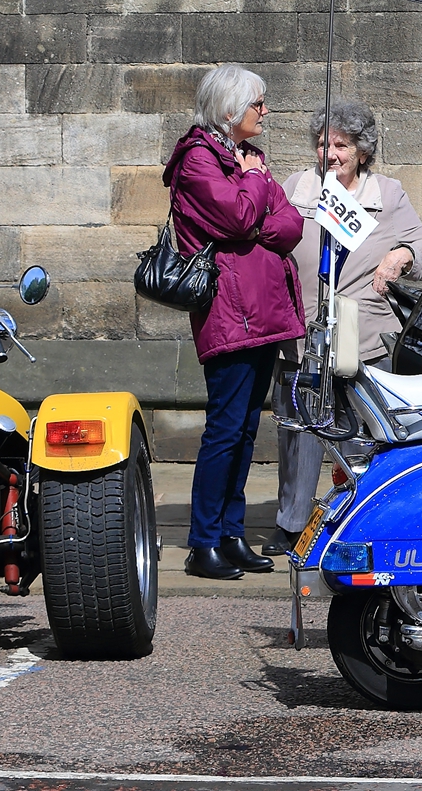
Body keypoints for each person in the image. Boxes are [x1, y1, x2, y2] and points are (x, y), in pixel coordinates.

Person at [265, 102, 422, 556]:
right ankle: (292, 524)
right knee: (299, 433)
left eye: (341, 145)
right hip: (303, 331)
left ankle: (364, 521)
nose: (330, 153)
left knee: (367, 437)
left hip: (365, 334)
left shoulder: (387, 192)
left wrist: (400, 255)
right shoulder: (296, 188)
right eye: (323, 144)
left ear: (363, 152)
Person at [162, 64, 306, 582]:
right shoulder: (200, 161)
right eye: (257, 105)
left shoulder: (249, 158)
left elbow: (290, 225)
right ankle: (204, 541)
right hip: (231, 311)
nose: (265, 112)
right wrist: (253, 185)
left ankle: (231, 532)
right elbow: (242, 218)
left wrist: (256, 192)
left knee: (247, 429)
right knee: (224, 429)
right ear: (230, 111)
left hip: (263, 309)